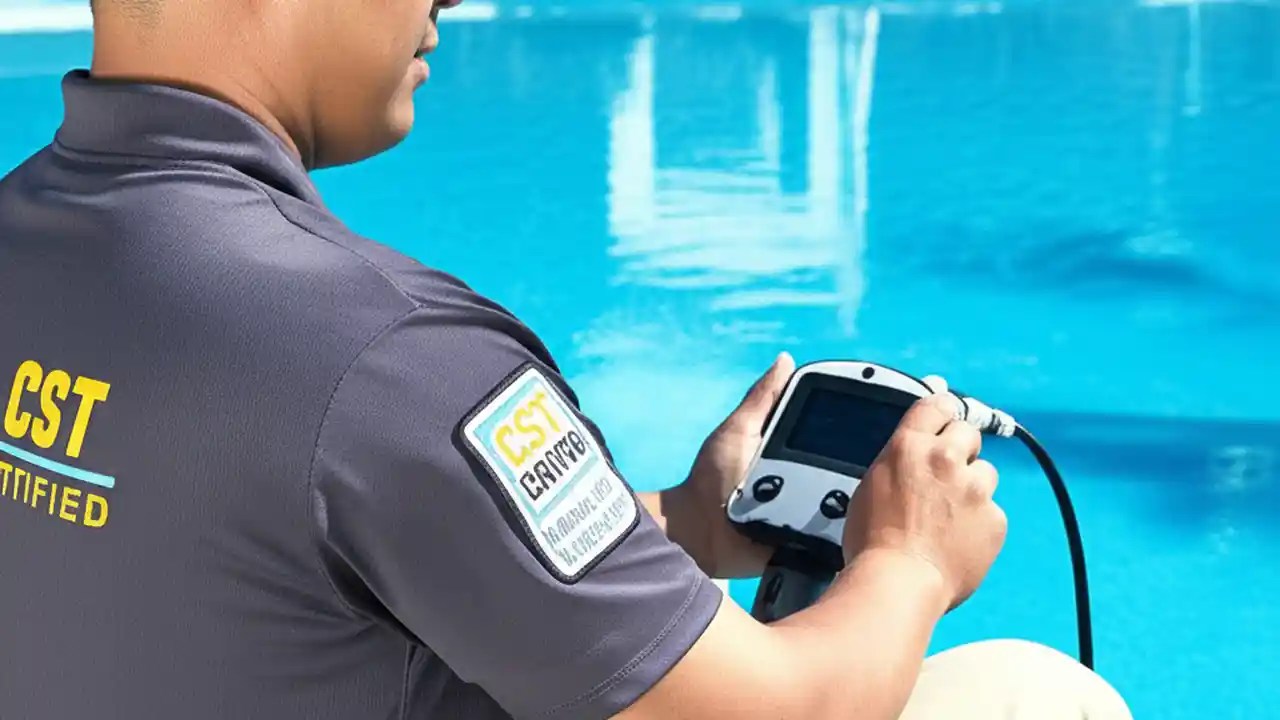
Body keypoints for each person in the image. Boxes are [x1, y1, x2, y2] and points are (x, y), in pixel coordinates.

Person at [0, 1, 1132, 718]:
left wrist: (682, 525)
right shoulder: (394, 356)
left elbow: (297, 551)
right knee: (1040, 693)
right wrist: (911, 560)